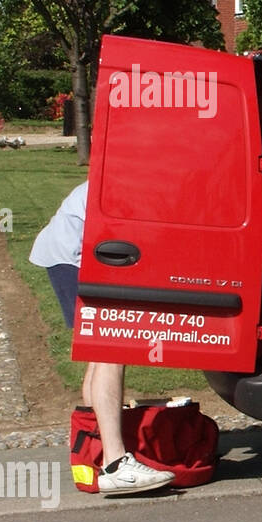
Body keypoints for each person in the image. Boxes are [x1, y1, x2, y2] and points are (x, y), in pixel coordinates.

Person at [29, 181, 173, 495]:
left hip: (69, 252)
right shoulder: (135, 175)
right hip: (73, 255)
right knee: (111, 348)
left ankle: (93, 452)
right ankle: (115, 462)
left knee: (100, 353)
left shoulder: (131, 168)